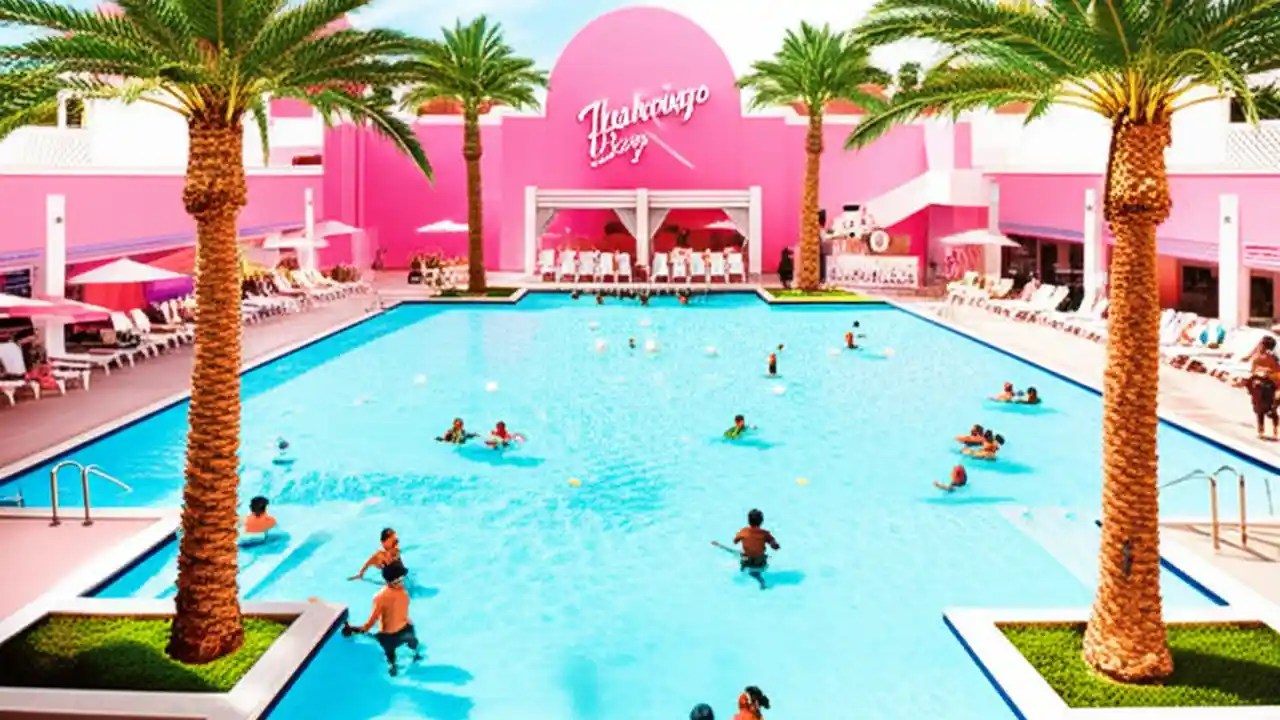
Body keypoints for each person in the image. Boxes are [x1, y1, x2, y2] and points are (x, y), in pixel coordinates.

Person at [342, 563, 421, 676]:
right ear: (389, 582)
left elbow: (401, 608)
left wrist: (407, 620)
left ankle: (416, 655)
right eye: (398, 581)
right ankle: (392, 665)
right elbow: (373, 618)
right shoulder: (381, 597)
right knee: (390, 653)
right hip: (389, 634)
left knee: (413, 642)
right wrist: (365, 628)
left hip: (405, 627)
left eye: (402, 580)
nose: (402, 583)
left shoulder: (402, 591)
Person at [734, 509, 779, 589]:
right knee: (757, 571)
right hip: (760, 562)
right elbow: (774, 544)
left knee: (744, 562)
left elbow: (735, 541)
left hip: (747, 559)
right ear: (761, 521)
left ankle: (743, 569)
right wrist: (775, 545)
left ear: (748, 521)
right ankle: (761, 581)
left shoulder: (744, 531)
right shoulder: (765, 534)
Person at [1249, 336, 1280, 439]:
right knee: (1259, 409)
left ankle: (1276, 430)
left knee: (1272, 408)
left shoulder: (1273, 359)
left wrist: (1268, 373)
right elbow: (1253, 370)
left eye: (1261, 344)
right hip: (1259, 385)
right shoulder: (1257, 357)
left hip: (1271, 385)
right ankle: (1261, 430)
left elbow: (1277, 373)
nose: (1259, 346)